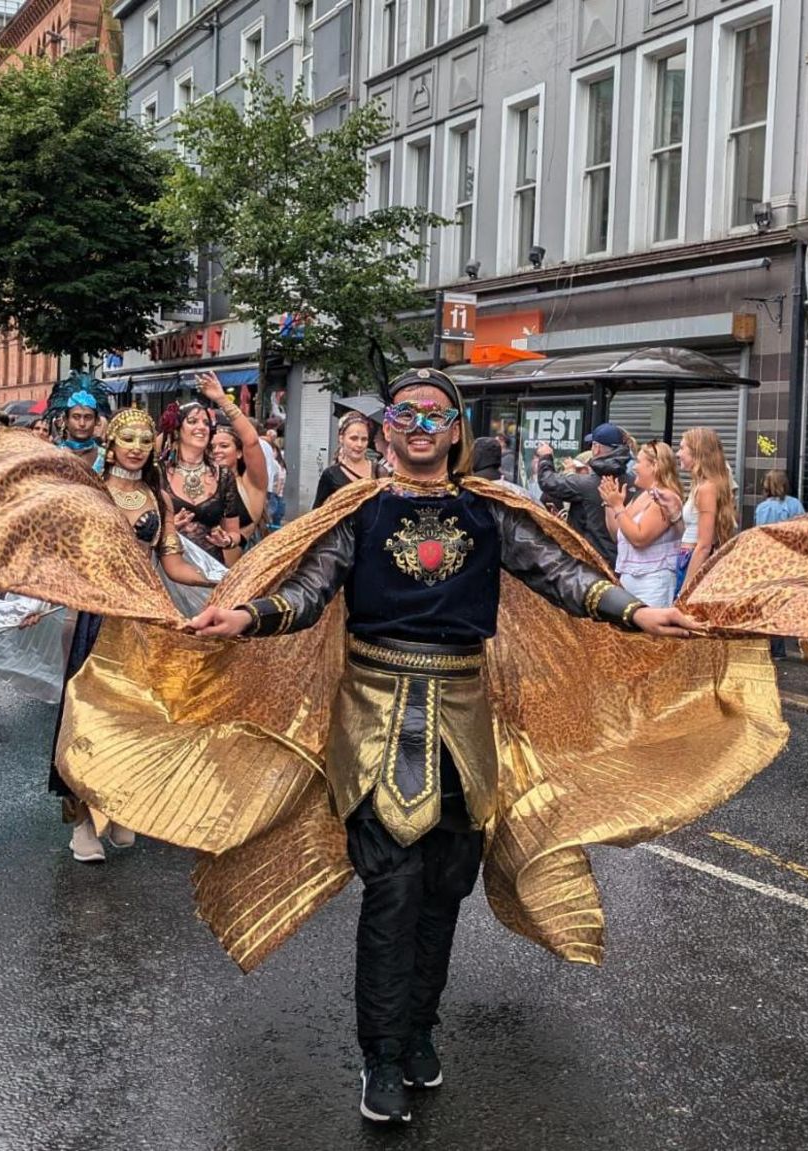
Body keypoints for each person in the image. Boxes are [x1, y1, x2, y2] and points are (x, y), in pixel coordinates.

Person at [182, 369, 711, 1123]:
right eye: (406, 413)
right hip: (372, 722)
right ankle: (382, 1055)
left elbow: (563, 574)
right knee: (392, 887)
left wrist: (636, 616)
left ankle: (421, 1028)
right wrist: (252, 616)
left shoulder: (489, 513)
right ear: (389, 428)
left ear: (456, 430)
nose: (421, 424)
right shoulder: (359, 512)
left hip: (464, 721)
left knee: (444, 888)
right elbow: (310, 588)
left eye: (436, 413)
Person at [52, 408, 217, 861]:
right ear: (112, 443)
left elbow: (174, 565)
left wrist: (219, 581)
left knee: (135, 717)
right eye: (129, 437)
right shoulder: (92, 492)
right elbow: (67, 560)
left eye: (146, 439)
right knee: (88, 717)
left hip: (143, 621)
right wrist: (37, 602)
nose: (137, 446)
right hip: (95, 618)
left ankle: (120, 805)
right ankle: (84, 822)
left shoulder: (157, 497)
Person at [600, 441, 685, 607]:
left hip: (653, 582)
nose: (634, 467)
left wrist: (618, 506)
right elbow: (618, 533)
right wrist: (610, 503)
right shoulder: (642, 496)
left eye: (639, 462)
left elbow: (639, 539)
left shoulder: (666, 497)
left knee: (648, 633)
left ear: (654, 466)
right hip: (629, 579)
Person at [536, 422, 632, 565]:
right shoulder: (634, 482)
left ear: (596, 448)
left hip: (593, 562)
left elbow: (547, 481)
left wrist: (545, 457)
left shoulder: (587, 484)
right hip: (625, 564)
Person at [199, 374, 271, 551]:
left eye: (224, 446)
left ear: (239, 452)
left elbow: (251, 441)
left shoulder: (251, 484)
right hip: (201, 571)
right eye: (212, 447)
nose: (216, 451)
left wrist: (222, 400)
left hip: (242, 570)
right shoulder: (201, 480)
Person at [165, 397, 243, 558]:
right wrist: (169, 527)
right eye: (193, 421)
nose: (202, 427)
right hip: (168, 570)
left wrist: (227, 541)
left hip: (211, 570)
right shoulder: (157, 472)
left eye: (206, 423)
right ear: (177, 430)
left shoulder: (223, 475)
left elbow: (234, 532)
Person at [754, 469, 808, 660]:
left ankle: (776, 650)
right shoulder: (795, 504)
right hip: (790, 559)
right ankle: (802, 633)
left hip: (769, 560)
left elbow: (759, 534)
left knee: (772, 604)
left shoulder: (762, 508)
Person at [676, 427, 739, 590]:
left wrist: (685, 589)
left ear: (698, 453)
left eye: (682, 448)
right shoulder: (702, 485)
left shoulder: (706, 489)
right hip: (689, 557)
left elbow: (704, 545)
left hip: (693, 559)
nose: (678, 453)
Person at [316, 411, 379, 507]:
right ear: (341, 438)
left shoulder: (379, 471)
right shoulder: (331, 475)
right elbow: (317, 513)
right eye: (353, 438)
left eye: (364, 439)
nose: (359, 444)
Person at [58, 392, 103, 469]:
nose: (82, 423)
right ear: (65, 420)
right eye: (76, 417)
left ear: (97, 421)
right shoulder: (53, 455)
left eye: (88, 417)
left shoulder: (106, 458)